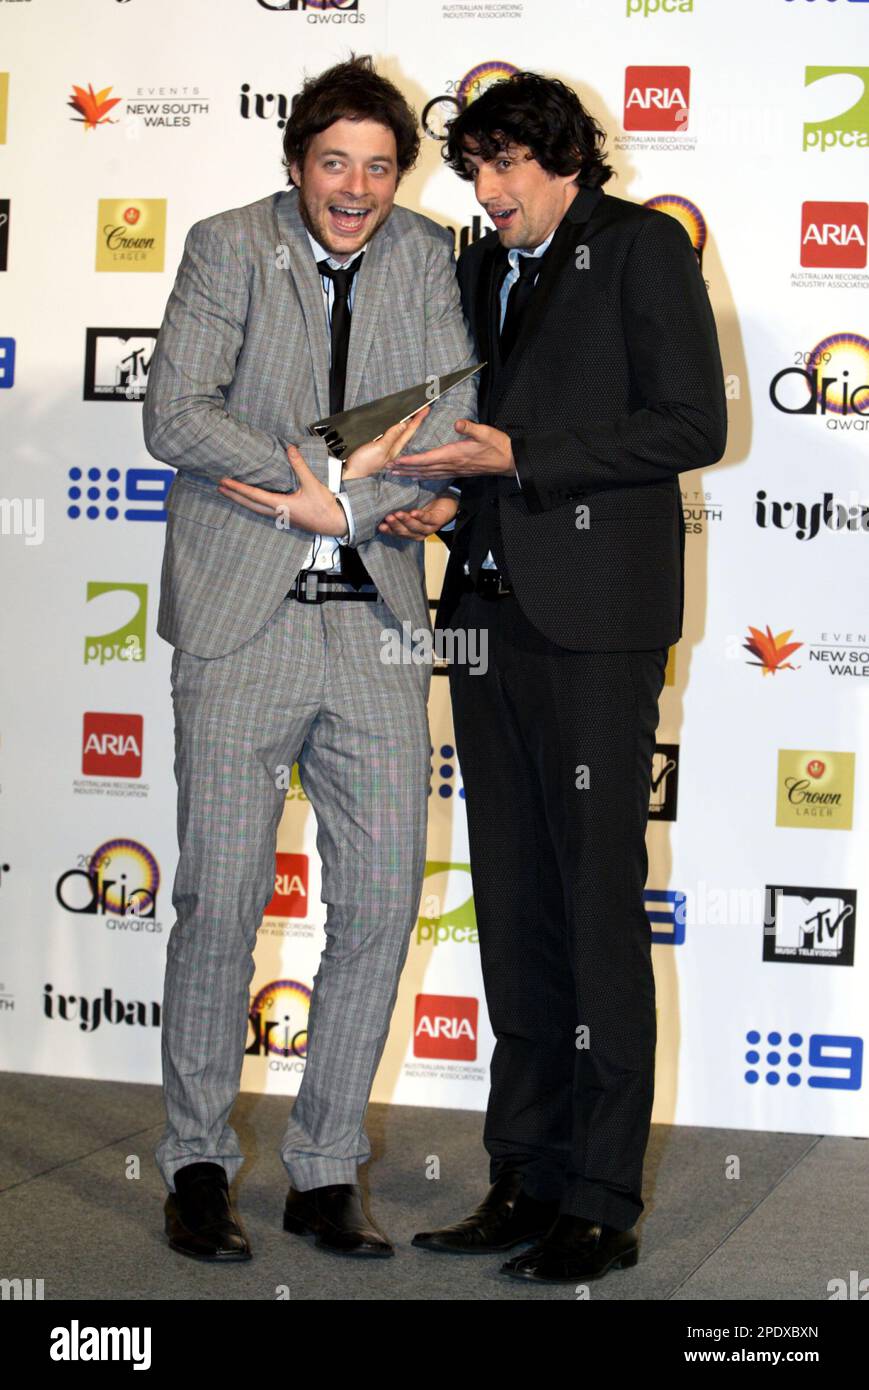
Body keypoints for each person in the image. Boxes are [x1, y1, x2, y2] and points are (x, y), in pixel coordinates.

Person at [383, 71, 727, 1283]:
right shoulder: (480, 268)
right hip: (482, 613)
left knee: (590, 903)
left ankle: (600, 1198)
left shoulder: (639, 250)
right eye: (470, 170)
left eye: (501, 167)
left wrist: (524, 457)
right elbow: (480, 433)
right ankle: (520, 1174)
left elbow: (692, 425)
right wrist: (452, 489)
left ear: (561, 158)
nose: (484, 192)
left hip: (593, 628)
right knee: (513, 902)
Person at [142, 54, 475, 1263]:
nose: (356, 187)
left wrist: (353, 501)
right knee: (220, 901)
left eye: (378, 166)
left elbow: (443, 417)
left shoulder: (426, 254)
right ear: (296, 165)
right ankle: (193, 1161)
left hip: (375, 622)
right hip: (244, 621)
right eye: (334, 163)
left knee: (381, 903)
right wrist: (327, 489)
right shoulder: (229, 245)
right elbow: (178, 411)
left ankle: (326, 1170)